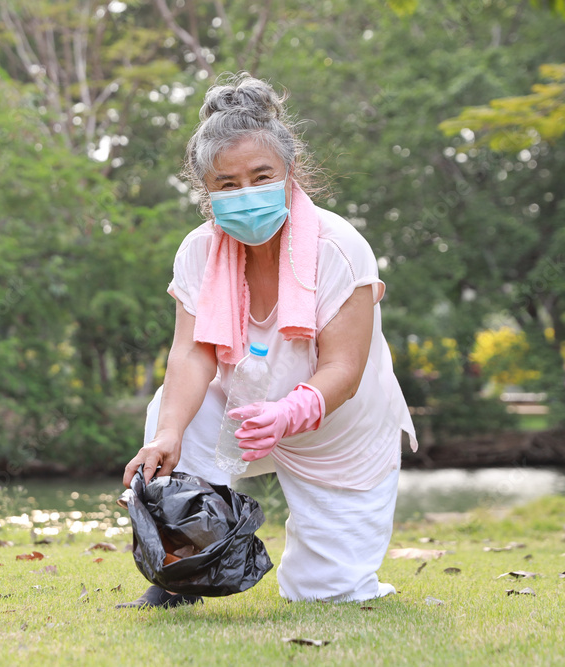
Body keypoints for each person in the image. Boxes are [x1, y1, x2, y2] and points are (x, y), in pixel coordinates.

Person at [118, 72, 418, 609]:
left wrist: (288, 414)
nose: (246, 194)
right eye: (227, 184)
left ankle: (336, 579)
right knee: (172, 409)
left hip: (338, 423)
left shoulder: (339, 247)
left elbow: (345, 368)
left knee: (327, 595)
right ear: (206, 190)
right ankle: (180, 575)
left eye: (261, 176)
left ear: (290, 172)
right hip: (242, 399)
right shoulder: (197, 251)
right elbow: (192, 352)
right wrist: (167, 434)